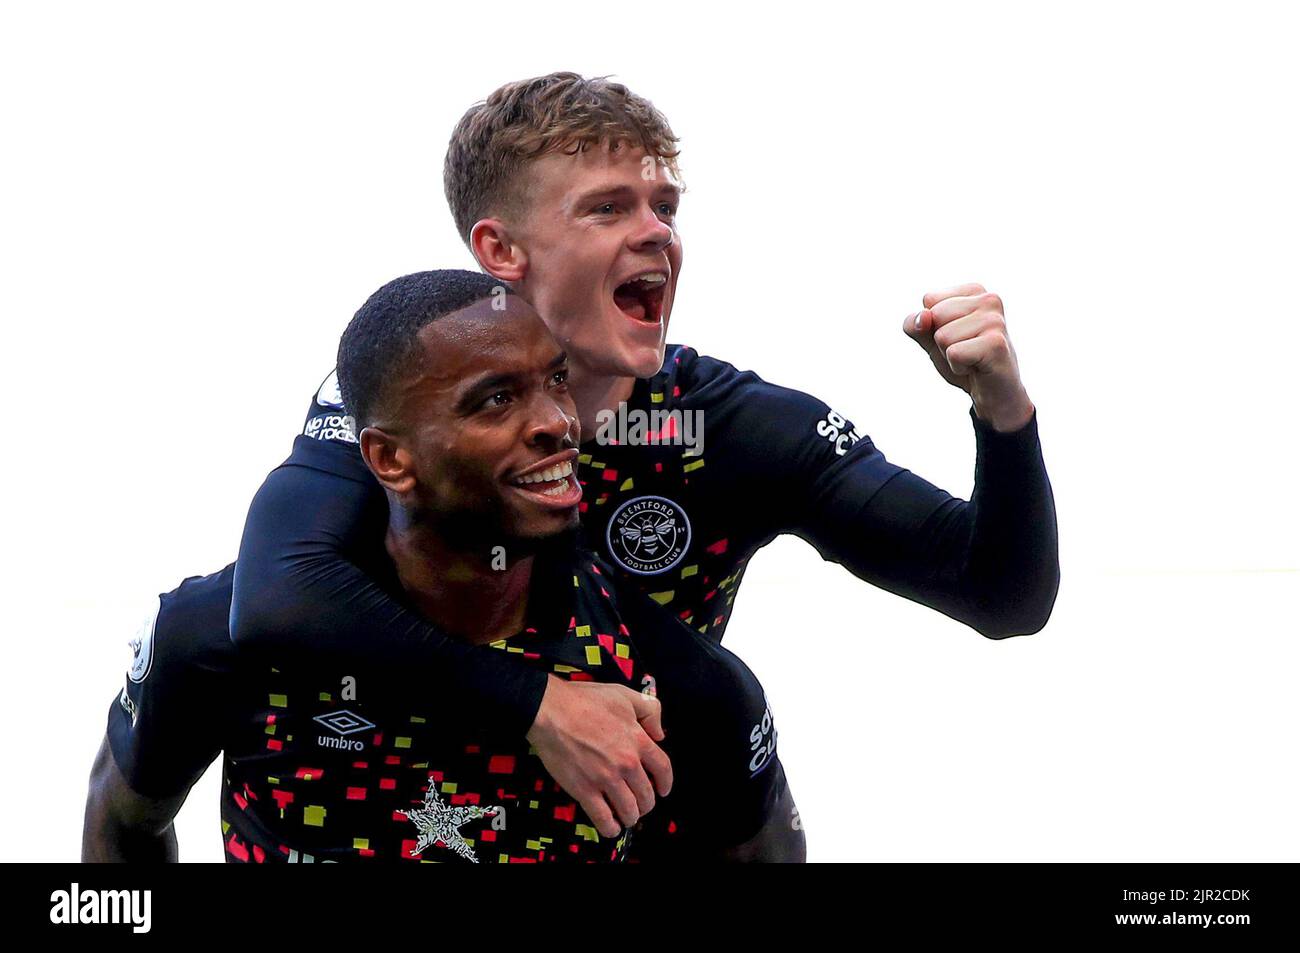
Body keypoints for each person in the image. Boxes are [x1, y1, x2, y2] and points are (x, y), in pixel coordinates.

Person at [231, 72, 1060, 850]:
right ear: (501, 249)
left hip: (636, 829)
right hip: (398, 814)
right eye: (607, 209)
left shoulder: (729, 428)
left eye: (665, 206)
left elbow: (1002, 593)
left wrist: (1003, 411)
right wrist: (538, 705)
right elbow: (277, 596)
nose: (657, 232)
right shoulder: (400, 403)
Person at [83, 271, 801, 863]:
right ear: (389, 459)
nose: (557, 418)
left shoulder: (679, 685)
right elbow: (121, 823)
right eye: (496, 399)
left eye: (555, 379)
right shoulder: (213, 639)